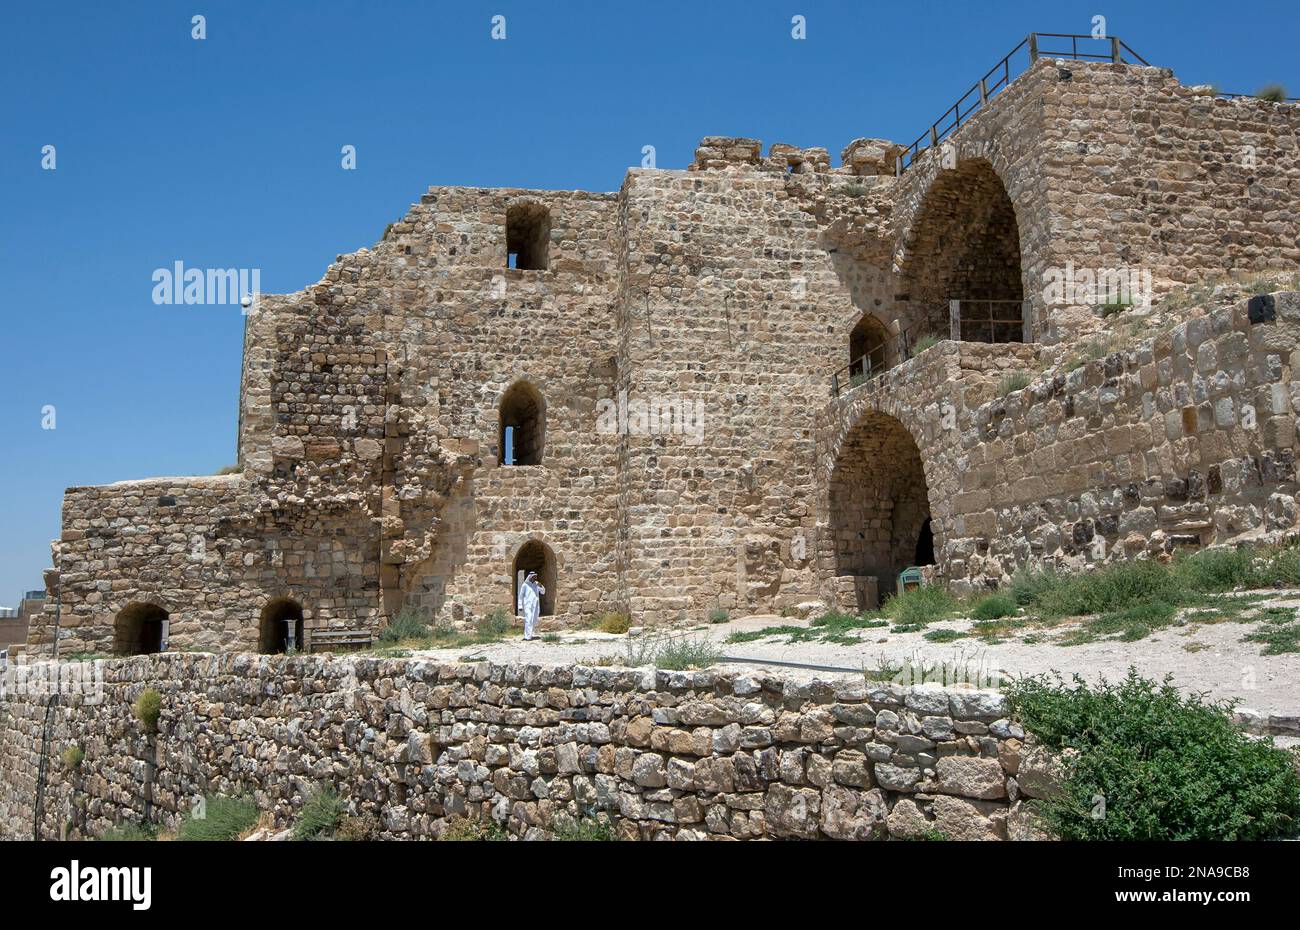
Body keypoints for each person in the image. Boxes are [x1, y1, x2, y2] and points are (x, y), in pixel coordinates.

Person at [517, 570, 545, 641]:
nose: (534, 578)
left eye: (535, 577)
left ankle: (530, 634)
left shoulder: (536, 584)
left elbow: (543, 592)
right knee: (528, 619)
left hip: (535, 605)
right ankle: (527, 637)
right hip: (528, 605)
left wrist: (541, 585)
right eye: (533, 577)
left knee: (533, 620)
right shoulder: (525, 585)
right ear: (530, 577)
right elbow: (521, 596)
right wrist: (520, 606)